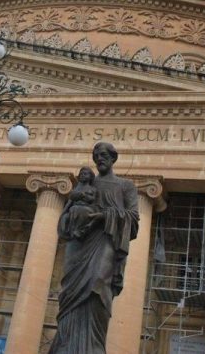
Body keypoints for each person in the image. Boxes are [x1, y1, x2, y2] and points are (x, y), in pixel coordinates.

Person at [50, 142, 139, 354]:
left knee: (98, 285)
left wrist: (102, 216)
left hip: (105, 241)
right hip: (78, 245)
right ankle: (65, 347)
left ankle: (92, 348)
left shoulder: (125, 186)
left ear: (113, 158)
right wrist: (73, 217)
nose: (100, 159)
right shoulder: (86, 184)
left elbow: (134, 220)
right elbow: (65, 218)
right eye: (97, 155)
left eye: (104, 155)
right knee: (70, 294)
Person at [65, 167, 98, 239]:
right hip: (75, 207)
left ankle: (79, 230)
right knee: (74, 209)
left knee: (82, 211)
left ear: (90, 177)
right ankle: (73, 230)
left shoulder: (93, 189)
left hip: (87, 208)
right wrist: (82, 195)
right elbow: (72, 196)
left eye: (85, 174)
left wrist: (82, 195)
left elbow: (92, 199)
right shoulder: (77, 188)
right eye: (81, 174)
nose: (82, 175)